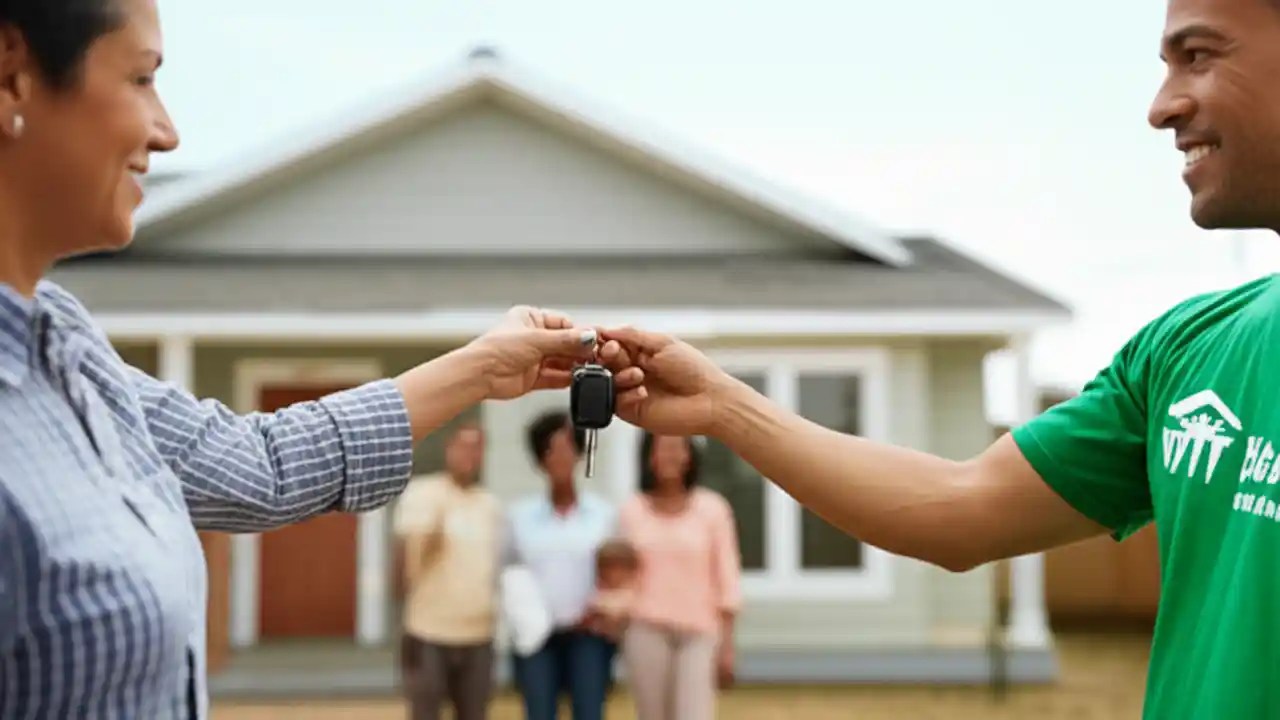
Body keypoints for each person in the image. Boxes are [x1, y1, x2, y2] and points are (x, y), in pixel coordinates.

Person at [595, 2, 1280, 717]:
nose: (1161, 107)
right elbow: (960, 508)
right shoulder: (1186, 352)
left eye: (1198, 56)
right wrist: (724, 406)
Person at [0, 2, 645, 717]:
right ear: (11, 76)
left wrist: (481, 369)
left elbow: (258, 466)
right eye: (142, 78)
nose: (167, 130)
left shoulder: (72, 353)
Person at [617, 434, 740, 720]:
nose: (670, 456)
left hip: (699, 632)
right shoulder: (632, 511)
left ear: (689, 456)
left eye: (677, 448)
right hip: (646, 628)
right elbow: (620, 575)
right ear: (649, 457)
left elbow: (727, 576)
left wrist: (728, 644)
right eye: (662, 449)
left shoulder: (713, 509)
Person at [504, 410, 617, 720]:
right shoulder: (520, 518)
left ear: (579, 454)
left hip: (588, 636)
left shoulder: (602, 516)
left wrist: (602, 610)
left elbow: (615, 573)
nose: (561, 458)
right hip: (537, 638)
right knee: (539, 712)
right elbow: (511, 576)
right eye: (552, 450)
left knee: (589, 712)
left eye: (568, 448)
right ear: (540, 459)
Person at [392, 422, 503, 720]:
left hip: (479, 635)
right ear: (449, 449)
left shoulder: (489, 505)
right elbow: (403, 561)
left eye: (477, 448)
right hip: (428, 632)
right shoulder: (422, 494)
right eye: (463, 446)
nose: (470, 454)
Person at [582, 538, 640, 643]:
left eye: (621, 568)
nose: (614, 574)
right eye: (608, 568)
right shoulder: (597, 594)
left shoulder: (637, 595)